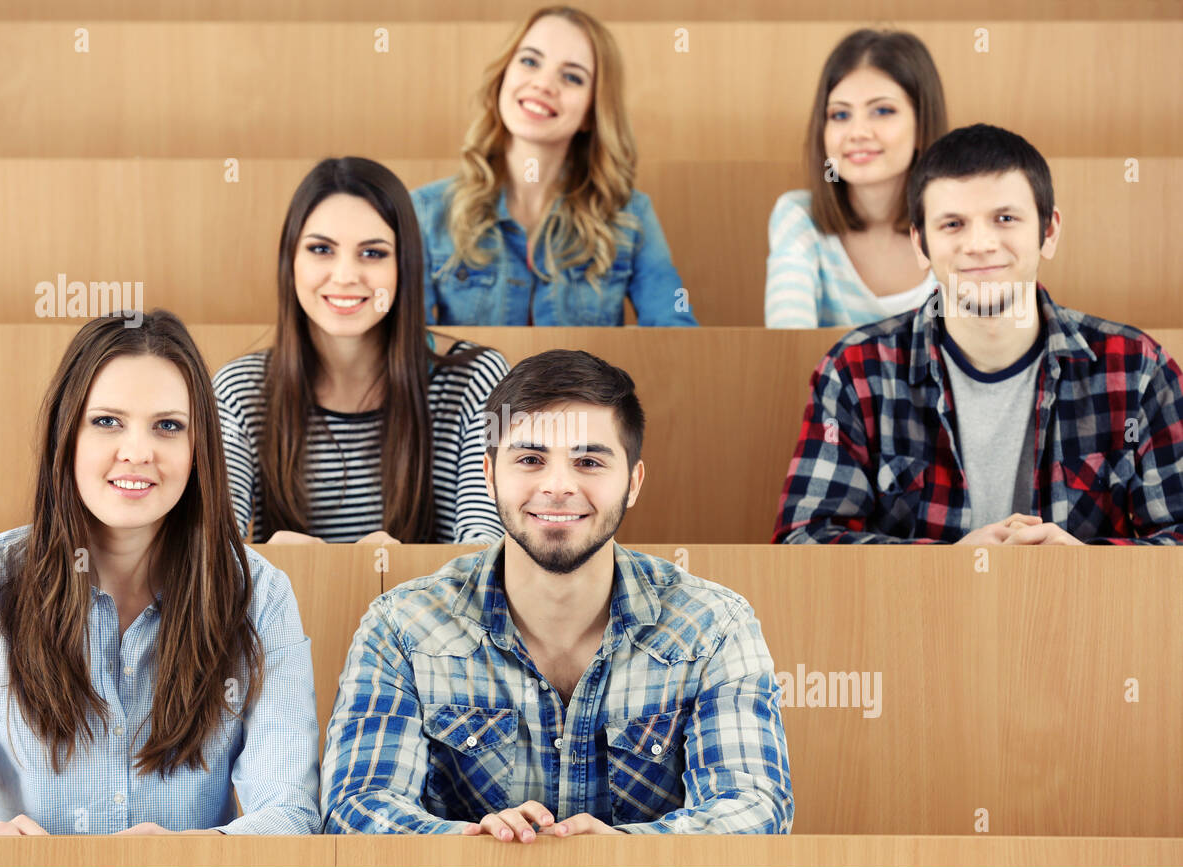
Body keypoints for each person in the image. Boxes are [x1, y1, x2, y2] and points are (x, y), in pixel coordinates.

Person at [0, 311, 321, 835]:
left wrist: (189, 853)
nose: (137, 452)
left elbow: (291, 813)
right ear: (65, 436)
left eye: (168, 426)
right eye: (107, 421)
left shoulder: (260, 595)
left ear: (198, 446)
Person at [321, 350, 792, 837]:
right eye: (530, 459)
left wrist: (623, 851)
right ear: (488, 474)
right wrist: (469, 843)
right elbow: (357, 804)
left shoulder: (714, 624)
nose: (558, 486)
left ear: (633, 483)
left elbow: (754, 807)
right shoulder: (403, 624)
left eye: (588, 461)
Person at [773, 124, 1183, 545]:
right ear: (920, 244)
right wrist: (949, 565)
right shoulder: (854, 371)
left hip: (1085, 611)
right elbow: (804, 541)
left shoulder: (1139, 368)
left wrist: (1082, 565)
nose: (981, 244)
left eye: (1005, 218)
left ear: (1049, 231)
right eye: (953, 224)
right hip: (918, 614)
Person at [214, 157, 510, 545]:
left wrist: (400, 575)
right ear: (291, 261)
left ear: (405, 266)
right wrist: (277, 567)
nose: (345, 276)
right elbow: (214, 549)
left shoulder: (479, 379)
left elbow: (486, 547)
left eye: (373, 253)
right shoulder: (239, 390)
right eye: (321, 249)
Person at [411, 6, 696, 326]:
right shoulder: (424, 211)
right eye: (530, 61)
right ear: (503, 76)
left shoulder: (632, 214)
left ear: (592, 111)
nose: (544, 84)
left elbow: (675, 326)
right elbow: (409, 352)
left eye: (572, 77)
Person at [765, 29, 947, 328]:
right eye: (840, 115)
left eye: (883, 111)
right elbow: (789, 344)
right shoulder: (798, 217)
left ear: (922, 123)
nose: (858, 132)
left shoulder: (957, 223)